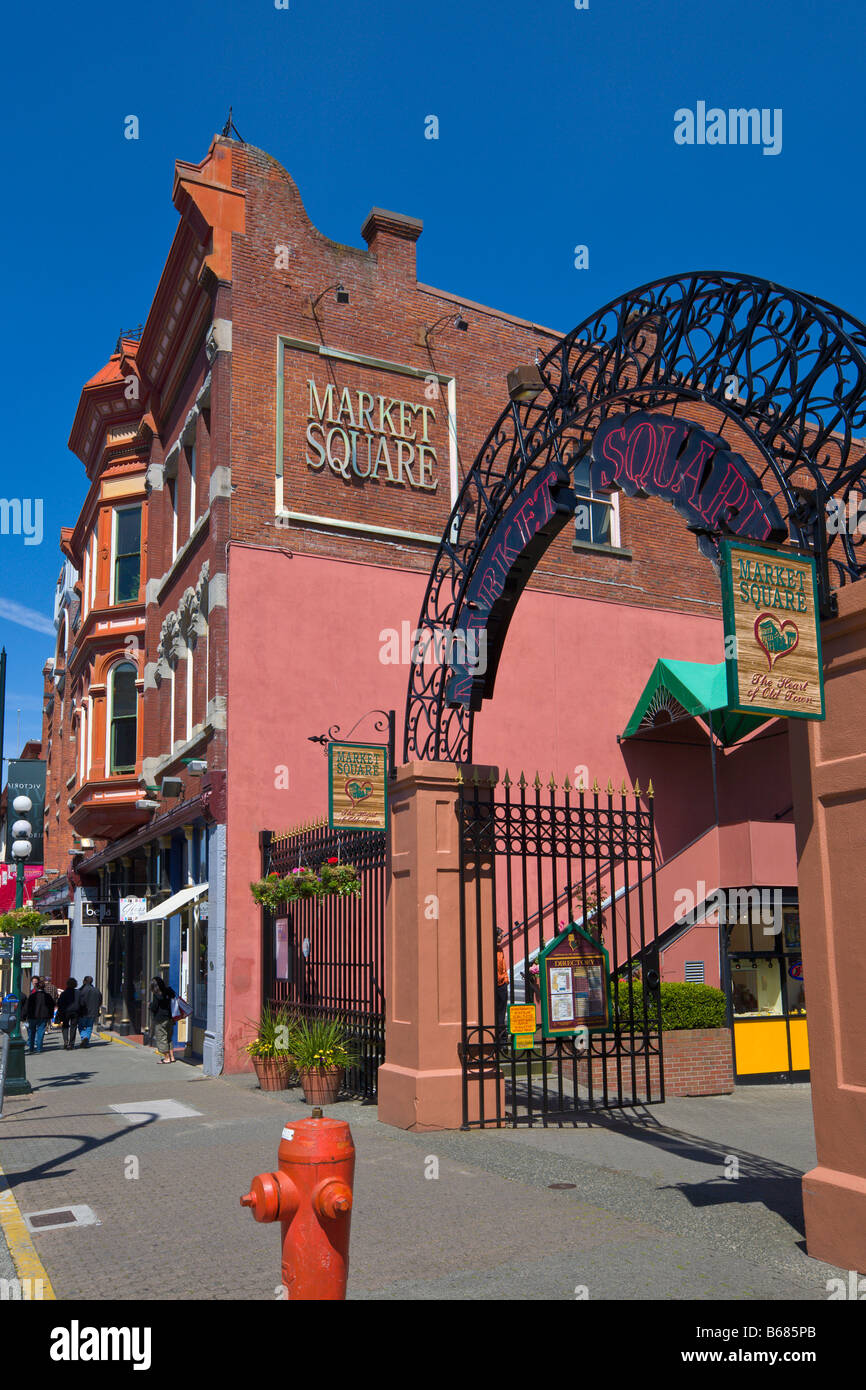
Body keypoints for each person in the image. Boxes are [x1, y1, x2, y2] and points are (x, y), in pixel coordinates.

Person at [24, 977, 55, 1054]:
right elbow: (52, 1006)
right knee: (40, 1032)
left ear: (37, 987)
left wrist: (24, 1016)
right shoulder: (47, 996)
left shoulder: (32, 996)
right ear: (44, 987)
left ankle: (31, 1048)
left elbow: (27, 1006)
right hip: (43, 1017)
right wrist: (50, 1015)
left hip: (32, 1016)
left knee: (32, 1032)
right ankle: (39, 1048)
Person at [149, 976, 176, 1063]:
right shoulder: (168, 991)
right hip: (169, 1018)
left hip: (160, 1019)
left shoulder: (157, 995)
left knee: (161, 1038)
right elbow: (173, 995)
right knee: (169, 1038)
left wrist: (150, 1006)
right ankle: (172, 1057)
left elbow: (154, 1008)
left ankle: (166, 1058)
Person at [76, 976, 103, 1048]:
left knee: (81, 1026)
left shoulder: (81, 990)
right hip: (93, 1012)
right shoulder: (96, 990)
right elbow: (100, 1001)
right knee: (89, 1026)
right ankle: (86, 1039)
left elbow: (78, 1002)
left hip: (83, 1012)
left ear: (84, 981)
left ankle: (84, 1037)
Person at [56, 978, 80, 1050]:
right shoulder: (78, 992)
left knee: (65, 1026)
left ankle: (66, 1041)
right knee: (73, 1027)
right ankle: (71, 1043)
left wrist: (60, 1011)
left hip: (66, 1012)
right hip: (75, 1012)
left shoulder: (64, 993)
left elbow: (59, 1003)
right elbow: (82, 1002)